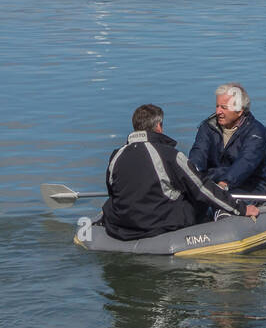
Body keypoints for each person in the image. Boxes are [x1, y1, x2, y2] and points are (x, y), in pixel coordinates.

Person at [99, 103, 257, 241]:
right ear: (159, 126)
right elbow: (201, 187)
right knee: (196, 196)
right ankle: (220, 215)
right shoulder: (169, 155)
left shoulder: (116, 155)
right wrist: (240, 208)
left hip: (123, 224)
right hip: (156, 224)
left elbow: (112, 191)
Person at [189, 83, 266, 201]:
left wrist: (224, 183)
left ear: (240, 110)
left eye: (224, 107)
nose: (218, 112)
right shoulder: (208, 127)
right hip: (211, 183)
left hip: (247, 187)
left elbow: (245, 163)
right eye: (217, 106)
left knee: (222, 204)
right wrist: (191, 175)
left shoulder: (256, 133)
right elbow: (198, 153)